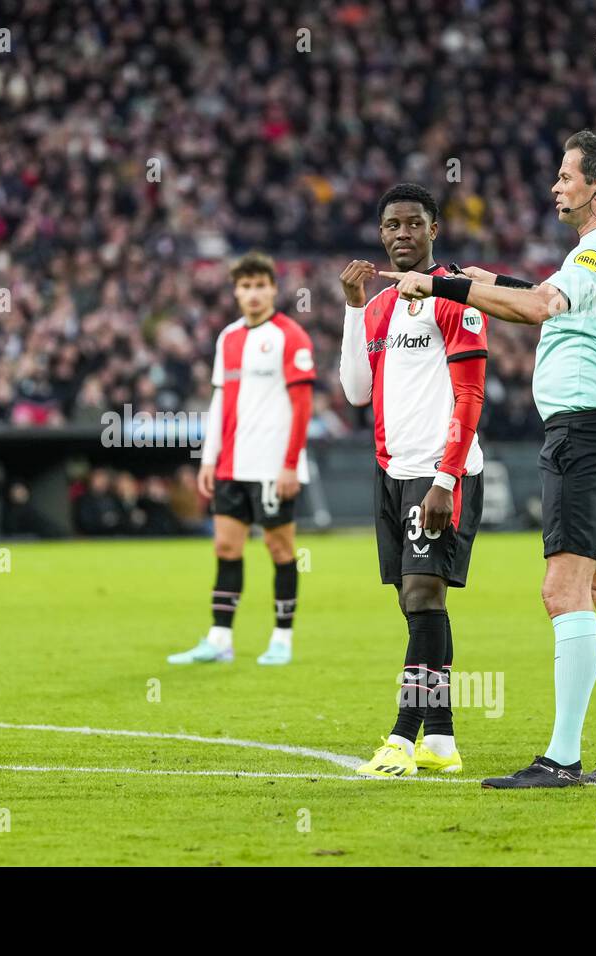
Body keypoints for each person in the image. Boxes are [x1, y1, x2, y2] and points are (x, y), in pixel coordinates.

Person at [383, 131, 596, 788]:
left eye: (566, 176)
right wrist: (486, 281)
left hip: (585, 438)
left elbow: (537, 308)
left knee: (562, 592)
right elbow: (542, 296)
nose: (555, 186)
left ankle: (561, 760)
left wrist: (441, 289)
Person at [338, 184, 488, 777]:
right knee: (417, 606)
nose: (402, 234)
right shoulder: (377, 309)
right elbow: (355, 391)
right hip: (394, 471)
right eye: (391, 225)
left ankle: (402, 738)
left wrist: (446, 480)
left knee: (422, 596)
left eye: (413, 224)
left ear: (434, 230)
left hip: (440, 473)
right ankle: (443, 741)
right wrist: (352, 308)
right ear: (380, 235)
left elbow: (471, 393)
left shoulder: (456, 298)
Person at [168, 251, 314, 667]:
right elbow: (220, 400)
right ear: (235, 291)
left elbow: (302, 406)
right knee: (226, 546)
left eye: (259, 285)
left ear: (272, 288)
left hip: (272, 465)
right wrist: (208, 459)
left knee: (280, 548)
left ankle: (282, 638)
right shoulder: (228, 337)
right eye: (245, 286)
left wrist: (290, 464)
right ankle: (220, 639)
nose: (252, 293)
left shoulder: (290, 336)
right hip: (232, 464)